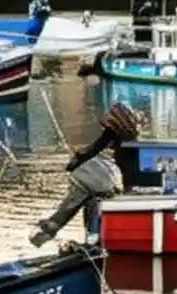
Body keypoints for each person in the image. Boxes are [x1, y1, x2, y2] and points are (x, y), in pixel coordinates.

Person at [29, 103, 143, 247]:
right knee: (88, 198)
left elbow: (92, 151)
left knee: (82, 196)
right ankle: (88, 238)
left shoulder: (124, 144)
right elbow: (92, 150)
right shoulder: (127, 139)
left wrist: (75, 163)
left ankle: (52, 230)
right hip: (116, 187)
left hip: (115, 189)